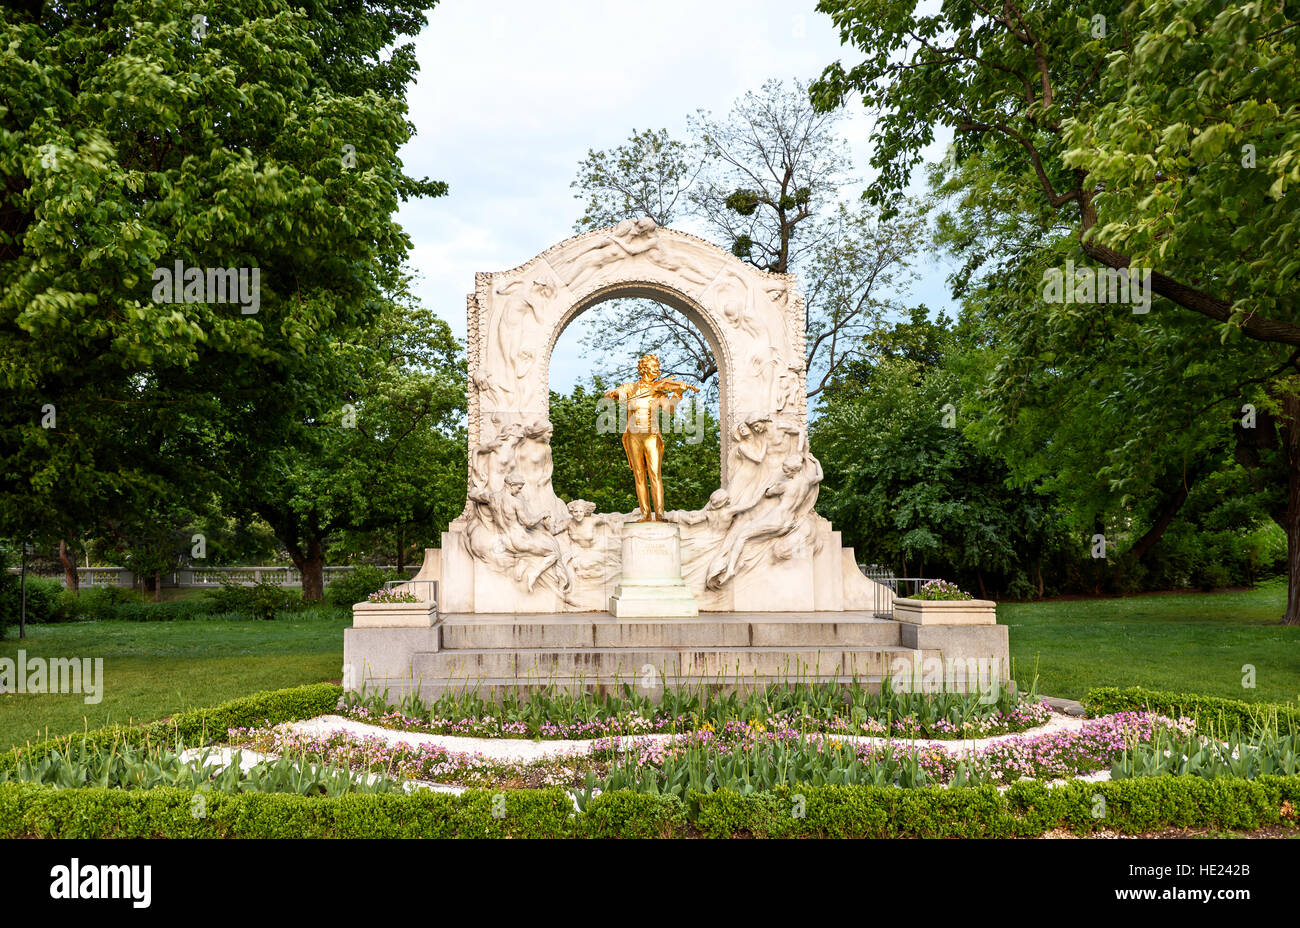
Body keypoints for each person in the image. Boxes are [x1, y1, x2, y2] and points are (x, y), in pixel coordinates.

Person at [604, 354, 698, 521]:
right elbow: (610, 396)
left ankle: (660, 514)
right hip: (633, 437)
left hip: (651, 436)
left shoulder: (659, 391)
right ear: (645, 368)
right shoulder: (630, 388)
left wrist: (678, 393)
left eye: (657, 367)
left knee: (655, 474)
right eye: (654, 366)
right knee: (639, 475)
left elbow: (669, 409)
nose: (657, 369)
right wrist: (613, 394)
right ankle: (645, 514)